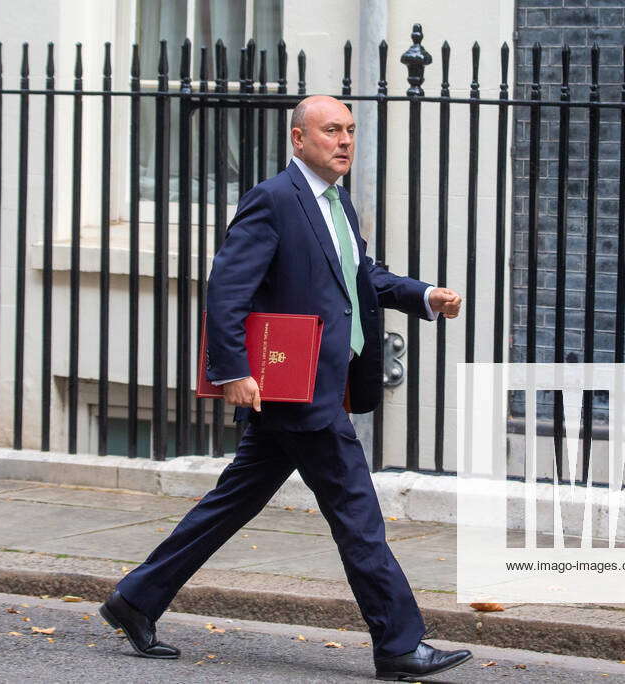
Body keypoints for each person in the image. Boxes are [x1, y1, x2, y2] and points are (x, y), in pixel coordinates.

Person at [100, 95, 469, 681]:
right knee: (357, 513)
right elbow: (226, 289)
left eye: (350, 130)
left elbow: (359, 277)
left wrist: (423, 296)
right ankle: (399, 643)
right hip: (297, 392)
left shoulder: (337, 202)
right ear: (299, 140)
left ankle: (137, 599)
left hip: (313, 386)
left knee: (231, 504)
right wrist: (232, 371)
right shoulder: (273, 200)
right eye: (331, 130)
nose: (345, 140)